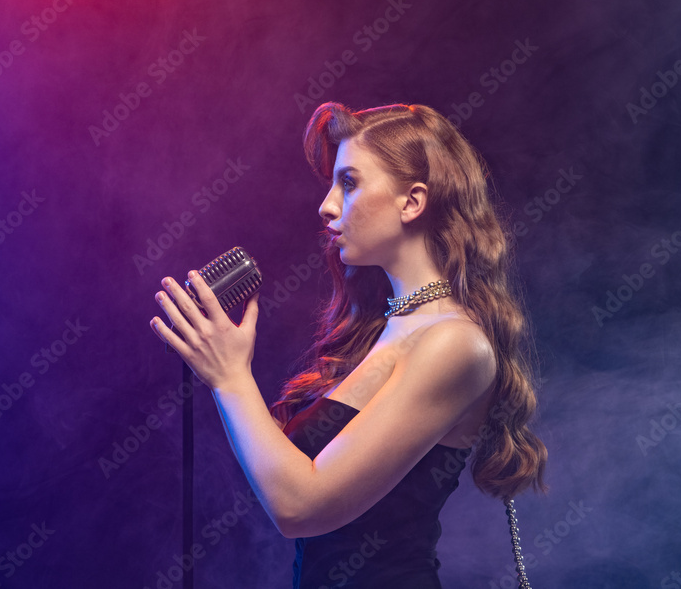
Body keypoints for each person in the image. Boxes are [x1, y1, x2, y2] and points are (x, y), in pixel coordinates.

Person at [151, 102, 547, 588]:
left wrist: (232, 378)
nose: (327, 205)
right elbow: (286, 480)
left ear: (412, 202)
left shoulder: (456, 343)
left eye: (350, 183)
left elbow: (300, 507)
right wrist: (222, 368)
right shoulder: (388, 329)